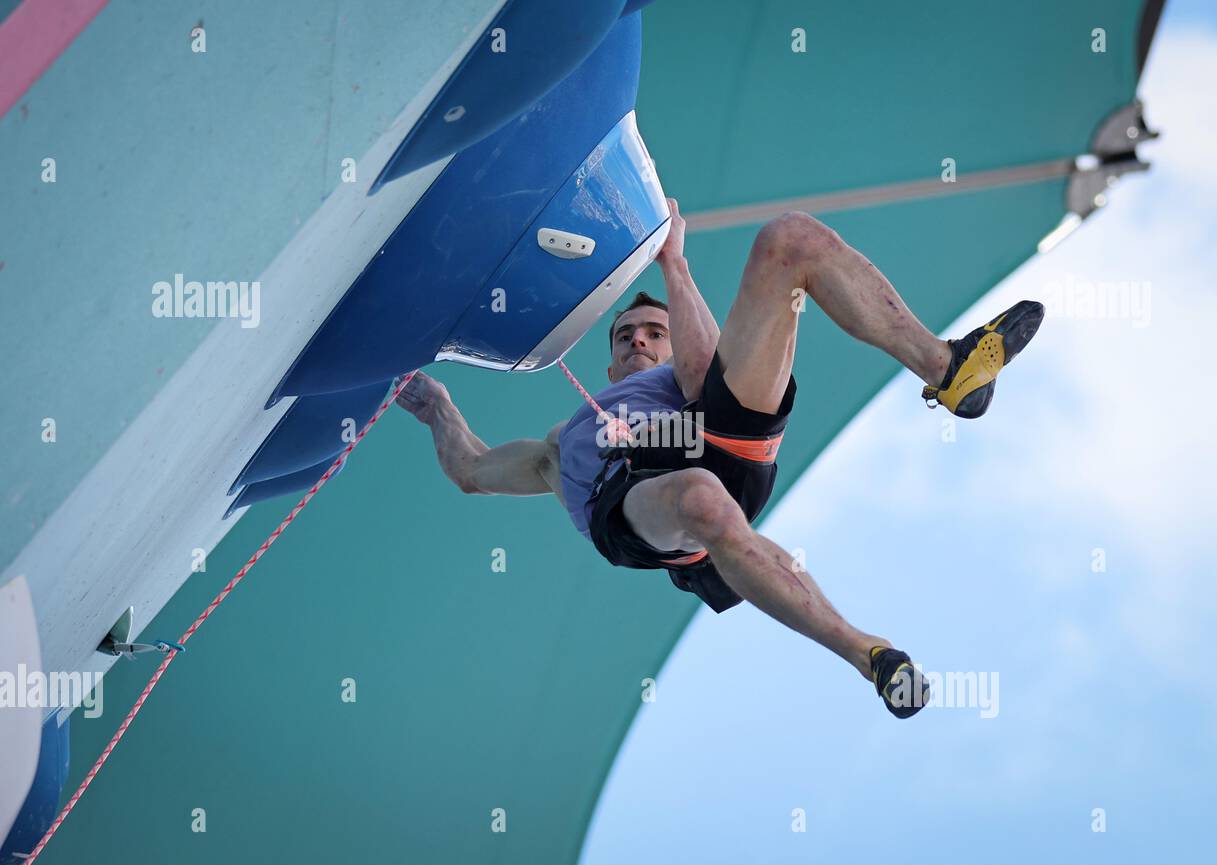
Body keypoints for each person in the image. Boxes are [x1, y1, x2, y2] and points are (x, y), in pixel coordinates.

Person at [396, 198, 1043, 718]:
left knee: (790, 240)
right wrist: (434, 403)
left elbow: (702, 367)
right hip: (635, 502)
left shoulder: (682, 369)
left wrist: (673, 263)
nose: (639, 340)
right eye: (626, 335)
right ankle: (866, 653)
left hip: (712, 433)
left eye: (653, 331)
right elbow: (471, 472)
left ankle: (948, 368)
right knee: (702, 499)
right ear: (609, 359)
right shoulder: (562, 446)